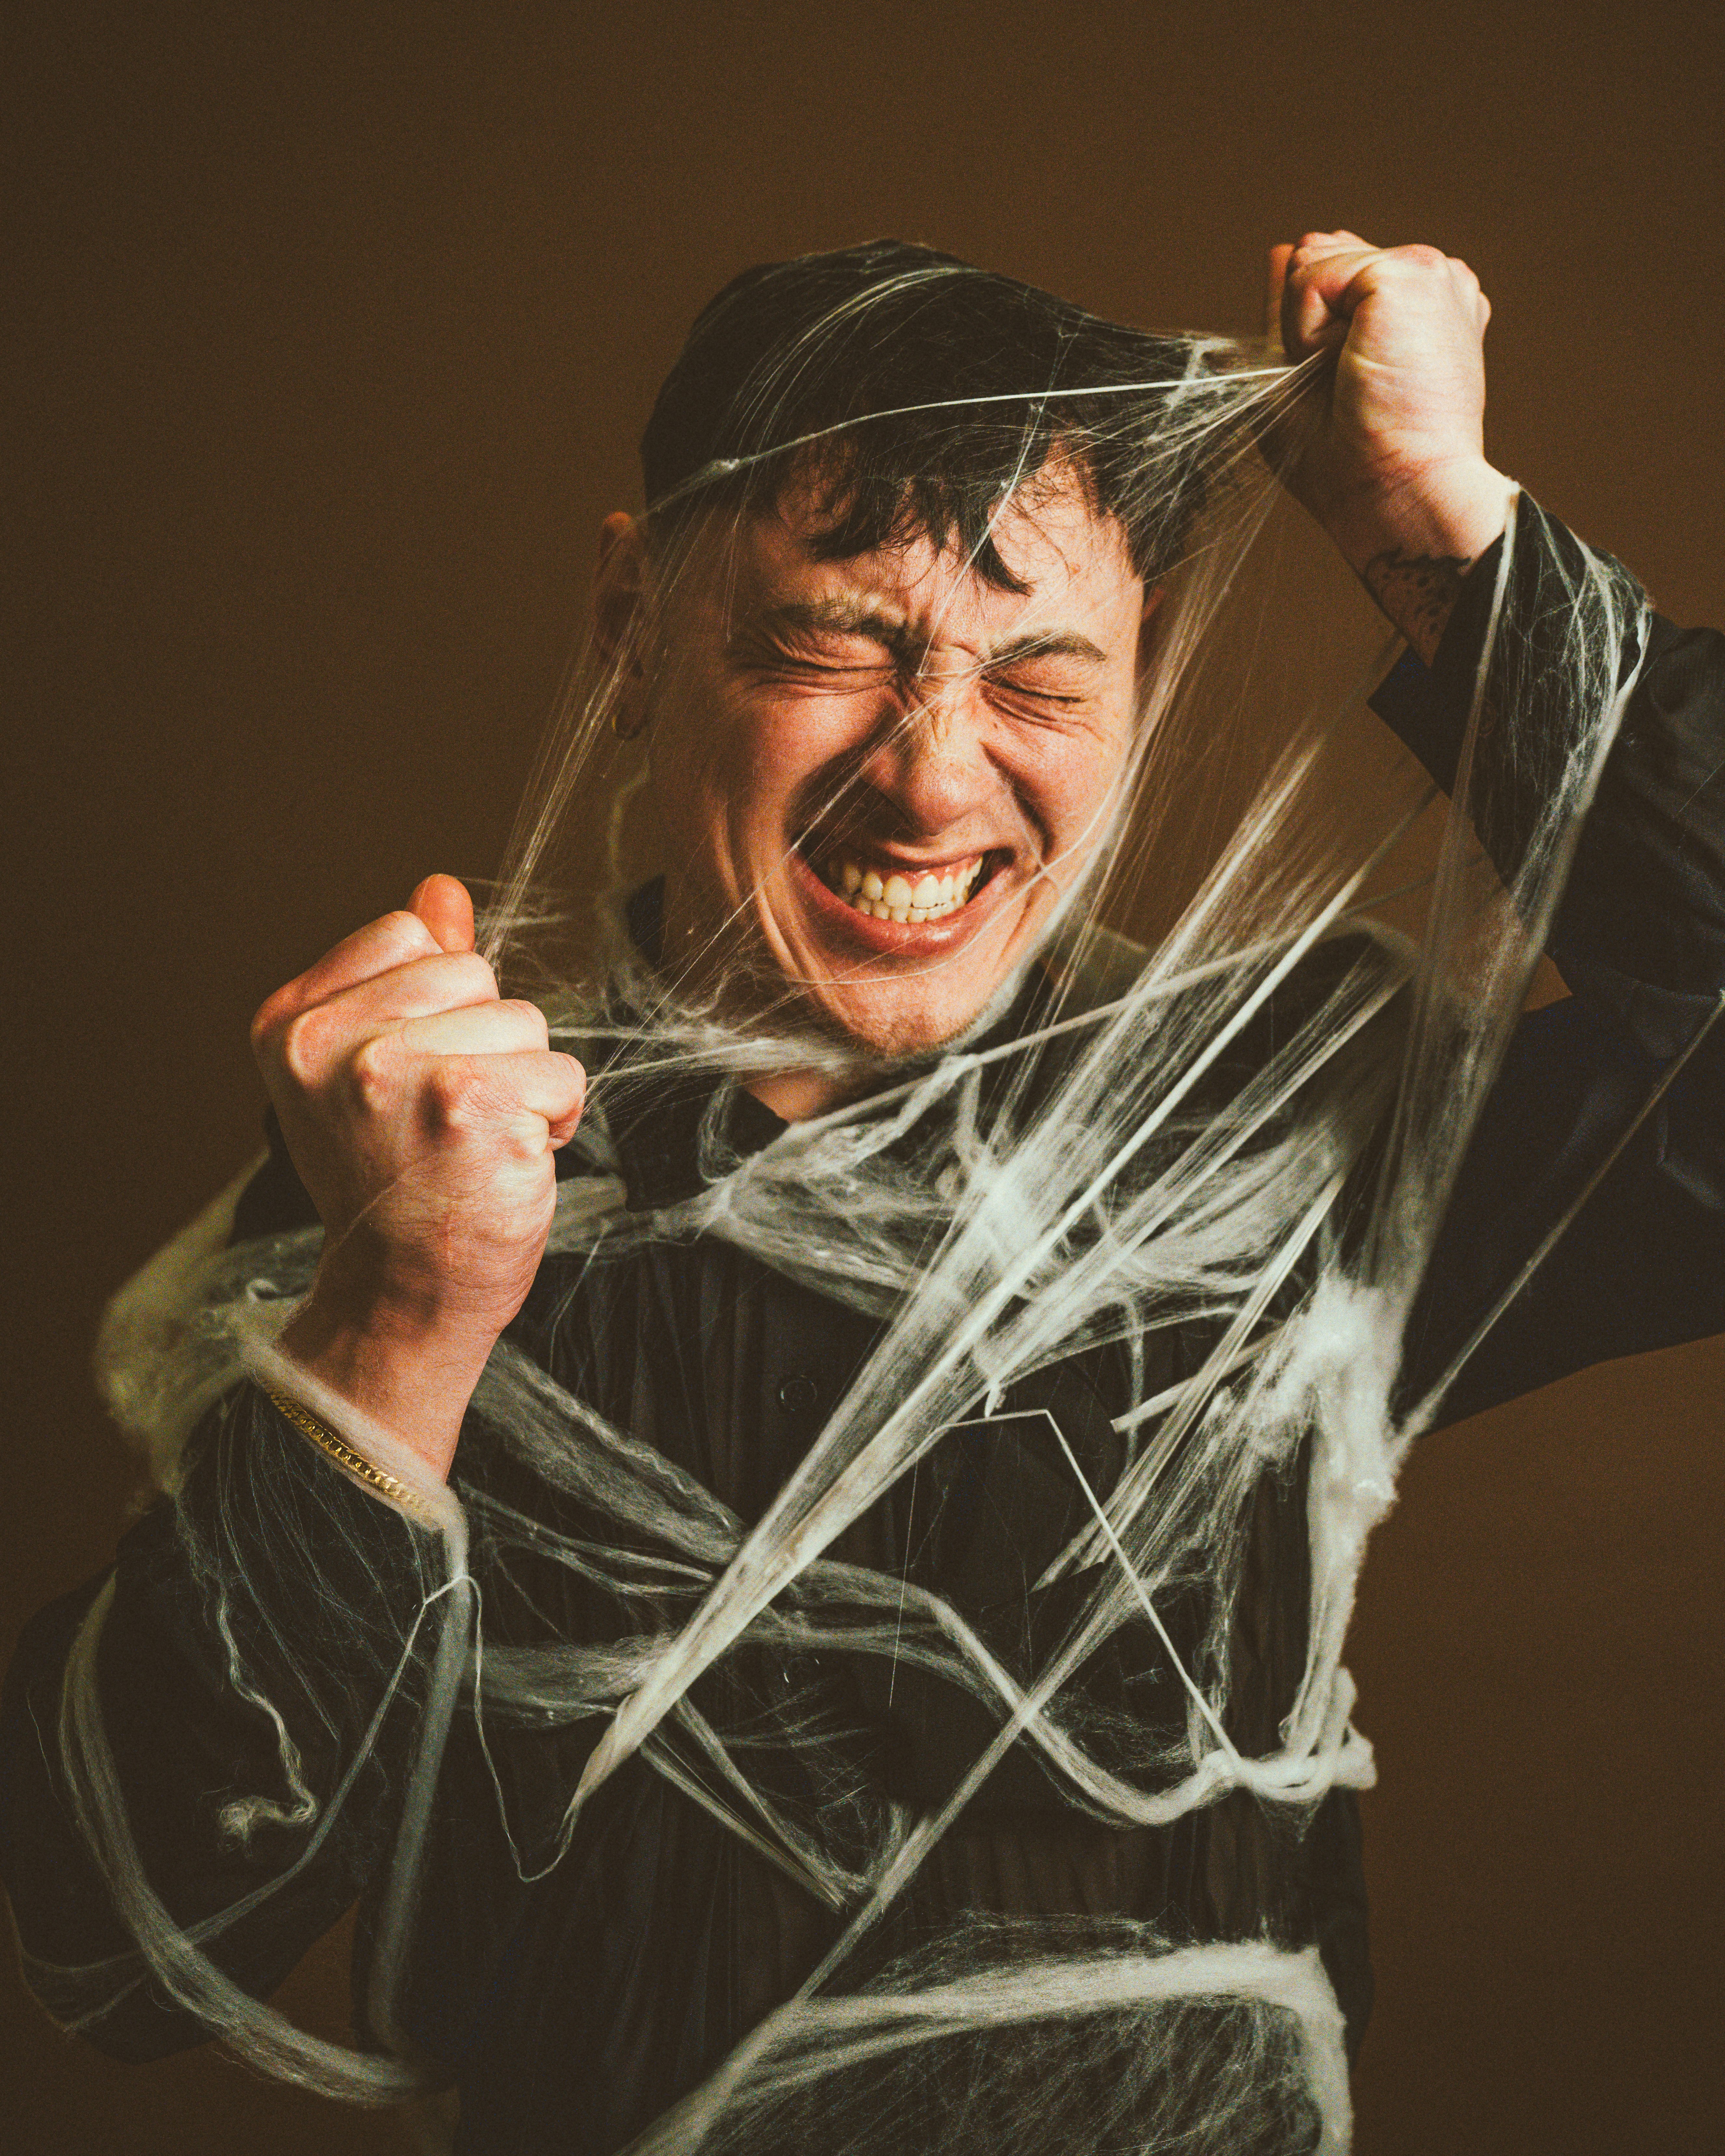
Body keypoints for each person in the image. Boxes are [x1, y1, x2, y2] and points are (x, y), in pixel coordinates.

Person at [3, 234, 1721, 2155]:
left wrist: (1437, 531)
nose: (930, 780)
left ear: (1144, 687)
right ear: (634, 620)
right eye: (832, 647)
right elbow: (128, 1954)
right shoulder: (429, 1168)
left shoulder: (1274, 1129)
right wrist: (398, 1322)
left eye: (1040, 680)